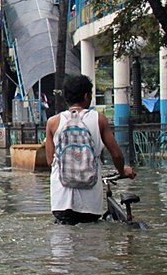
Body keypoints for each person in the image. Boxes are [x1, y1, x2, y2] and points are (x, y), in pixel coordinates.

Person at [44, 74, 136, 225]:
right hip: (90, 201)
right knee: (91, 236)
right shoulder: (98, 119)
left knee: (63, 236)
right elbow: (117, 155)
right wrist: (122, 171)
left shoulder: (52, 122)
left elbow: (50, 161)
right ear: (87, 96)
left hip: (61, 200)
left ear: (66, 97)